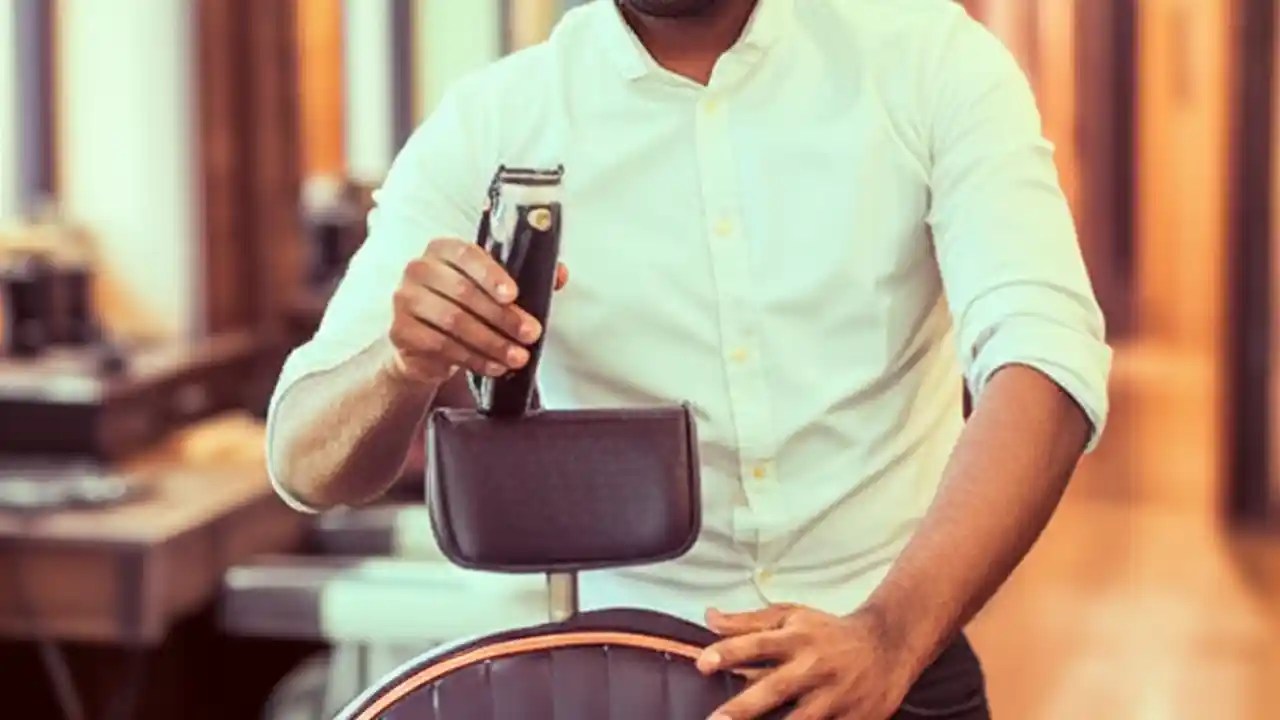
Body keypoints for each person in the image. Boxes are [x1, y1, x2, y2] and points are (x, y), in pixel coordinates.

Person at [266, 0, 1111, 717]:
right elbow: (303, 459)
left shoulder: (929, 58)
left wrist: (892, 634)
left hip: (895, 657)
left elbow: (1045, 356)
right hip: (623, 678)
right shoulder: (495, 120)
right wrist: (402, 362)